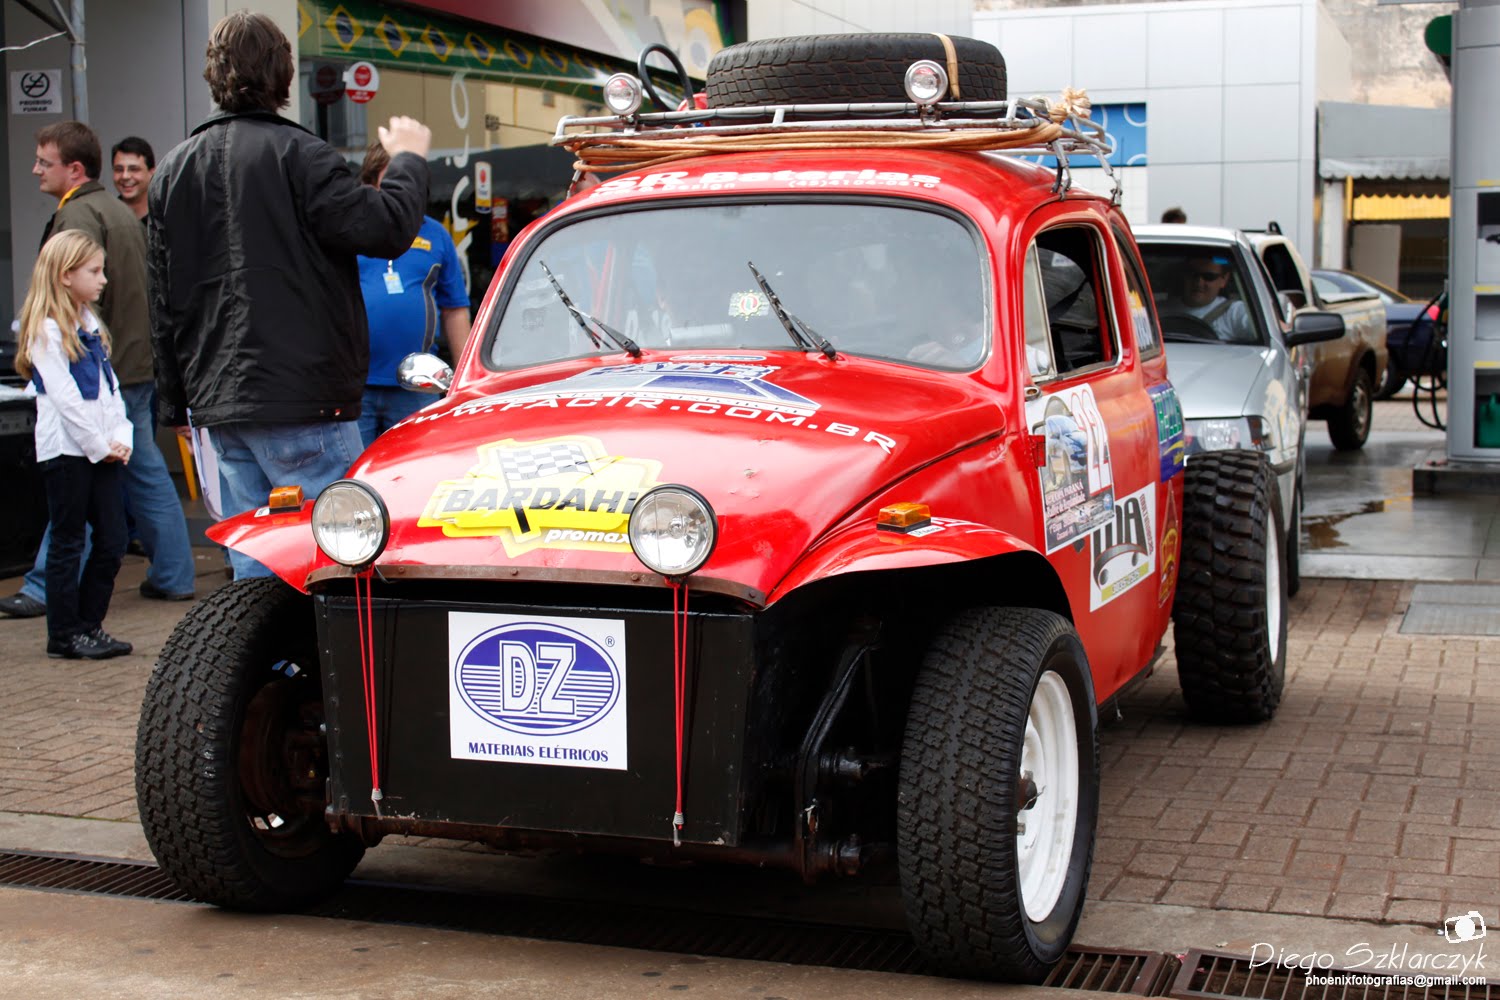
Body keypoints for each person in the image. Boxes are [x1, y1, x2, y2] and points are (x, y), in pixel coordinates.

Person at [148, 11, 431, 579]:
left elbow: (165, 300)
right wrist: (408, 158)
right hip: (302, 400)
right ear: (283, 74)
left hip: (222, 403)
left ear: (213, 76)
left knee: (256, 562)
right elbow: (387, 228)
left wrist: (177, 402)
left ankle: (271, 667)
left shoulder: (173, 170)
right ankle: (328, 669)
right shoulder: (301, 156)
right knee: (339, 557)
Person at [0, 122, 196, 620]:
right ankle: (174, 573)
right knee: (144, 472)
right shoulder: (115, 211)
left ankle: (46, 586)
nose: (35, 170)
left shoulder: (79, 216)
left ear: (74, 169)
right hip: (130, 363)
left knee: (83, 478)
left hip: (98, 370)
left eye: (44, 162)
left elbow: (70, 288)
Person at [13, 231, 134, 659]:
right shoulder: (47, 330)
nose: (103, 279)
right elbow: (65, 399)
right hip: (67, 453)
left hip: (100, 449)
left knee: (114, 538)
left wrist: (122, 437)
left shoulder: (91, 324)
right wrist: (100, 444)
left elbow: (111, 392)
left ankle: (89, 624)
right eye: (94, 271)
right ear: (65, 276)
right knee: (68, 542)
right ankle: (64, 634)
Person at [354, 141, 470, 447]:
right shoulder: (350, 230)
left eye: (411, 178)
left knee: (417, 475)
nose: (405, 187)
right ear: (371, 183)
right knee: (354, 482)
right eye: (394, 179)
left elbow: (455, 308)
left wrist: (464, 380)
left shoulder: (436, 235)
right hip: (354, 387)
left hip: (419, 386)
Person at [1159, 252, 1258, 343]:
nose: (1199, 282)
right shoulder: (1157, 311)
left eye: (1208, 277)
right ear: (1184, 276)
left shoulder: (1235, 312)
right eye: (1193, 275)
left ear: (1224, 279)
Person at [111, 136, 154, 222]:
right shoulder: (106, 216)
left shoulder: (163, 217)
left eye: (134, 169)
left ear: (152, 173)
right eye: (119, 169)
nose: (125, 176)